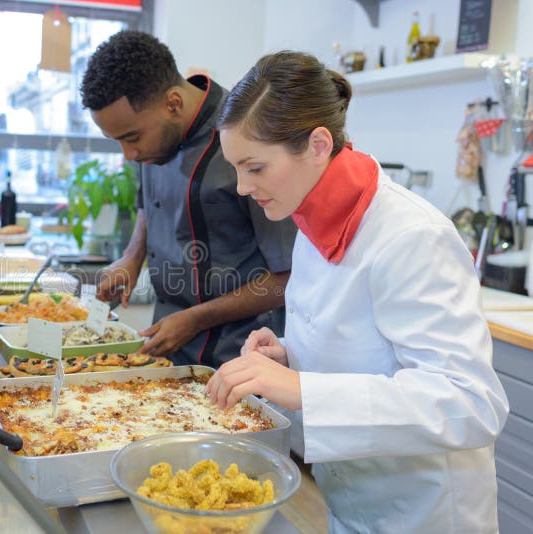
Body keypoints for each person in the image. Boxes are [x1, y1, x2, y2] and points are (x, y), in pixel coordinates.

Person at [206, 50, 509, 533]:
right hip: (350, 501)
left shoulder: (412, 235)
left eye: (255, 168)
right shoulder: (309, 217)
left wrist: (302, 388)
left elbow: (470, 403)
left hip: (424, 512)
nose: (243, 187)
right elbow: (360, 345)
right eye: (236, 169)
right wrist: (290, 356)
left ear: (318, 144)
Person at [80, 31, 296, 367]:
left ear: (174, 103)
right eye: (118, 142)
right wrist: (131, 258)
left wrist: (195, 319)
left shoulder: (248, 139)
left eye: (132, 138)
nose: (128, 154)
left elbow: (286, 279)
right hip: (168, 346)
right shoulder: (151, 142)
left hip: (240, 358)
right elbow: (149, 203)